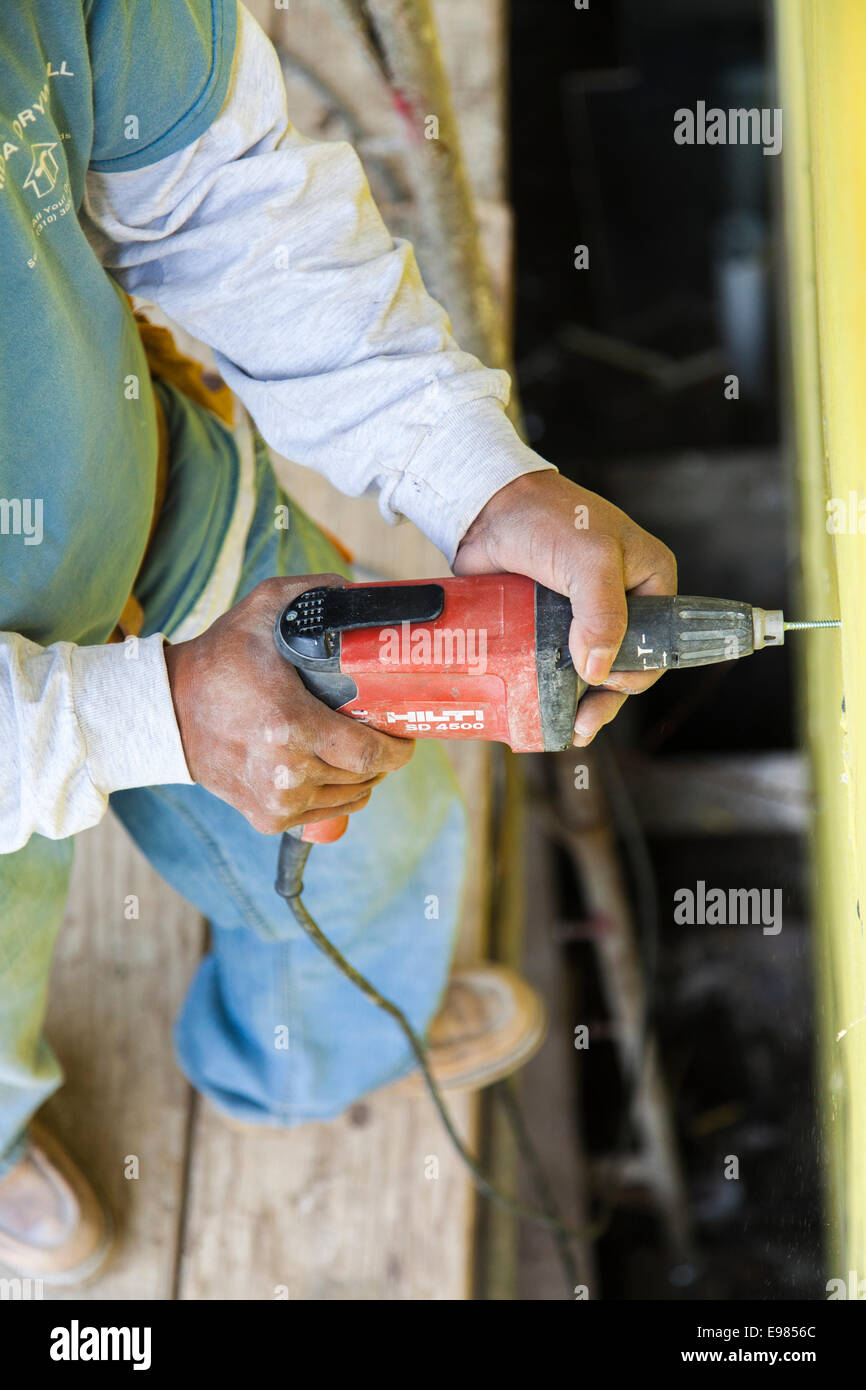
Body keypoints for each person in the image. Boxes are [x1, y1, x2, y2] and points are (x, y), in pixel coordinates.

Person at [0, 0, 676, 1283]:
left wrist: (478, 479)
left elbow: (219, 195)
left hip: (128, 490)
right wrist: (159, 718)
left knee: (383, 841)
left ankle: (311, 1058)